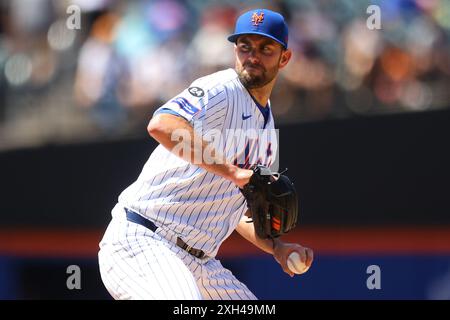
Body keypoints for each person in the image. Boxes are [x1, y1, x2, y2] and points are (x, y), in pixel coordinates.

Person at [98, 8, 313, 300]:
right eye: (245, 46)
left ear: (284, 58)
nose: (253, 56)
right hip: (144, 240)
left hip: (199, 264)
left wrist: (277, 247)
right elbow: (161, 124)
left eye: (265, 48)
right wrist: (233, 172)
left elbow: (244, 209)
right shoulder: (222, 88)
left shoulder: (269, 131)